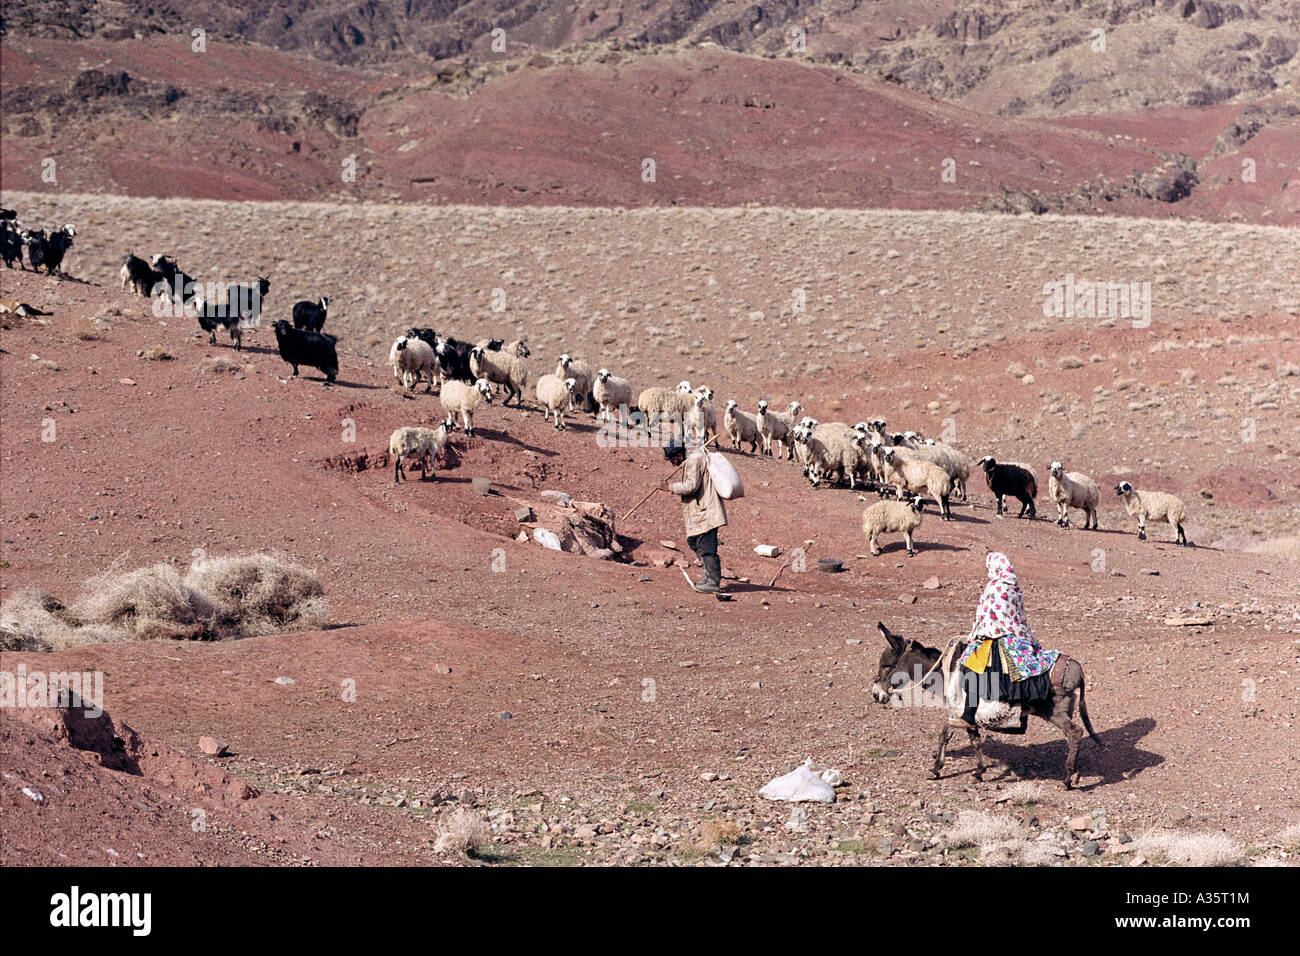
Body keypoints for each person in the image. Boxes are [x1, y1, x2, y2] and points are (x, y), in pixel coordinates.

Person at [951, 552, 1058, 730]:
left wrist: (975, 635)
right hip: (1017, 635)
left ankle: (969, 716)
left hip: (994, 636)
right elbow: (1017, 615)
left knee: (971, 666)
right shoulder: (1014, 585)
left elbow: (986, 616)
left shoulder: (994, 587)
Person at [662, 438, 727, 593]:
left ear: (678, 456)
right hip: (702, 513)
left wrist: (669, 487)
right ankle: (708, 577)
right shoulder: (692, 460)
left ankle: (713, 582)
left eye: (673, 460)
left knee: (706, 548)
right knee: (694, 542)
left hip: (706, 512)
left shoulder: (693, 461)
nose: (673, 464)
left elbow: (692, 486)